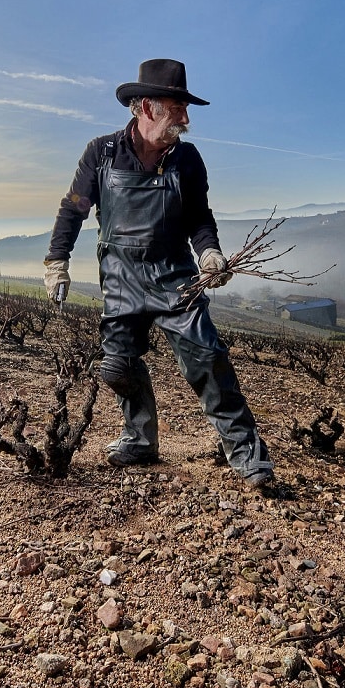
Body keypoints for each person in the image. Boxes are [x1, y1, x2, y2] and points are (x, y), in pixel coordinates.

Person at [43, 59, 276, 491]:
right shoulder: (102, 152)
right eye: (177, 109)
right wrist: (57, 261)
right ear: (144, 107)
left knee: (208, 360)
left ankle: (246, 455)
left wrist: (209, 253)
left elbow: (199, 217)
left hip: (175, 277)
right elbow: (72, 209)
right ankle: (140, 440)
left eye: (186, 110)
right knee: (116, 366)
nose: (186, 119)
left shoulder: (187, 159)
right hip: (121, 279)